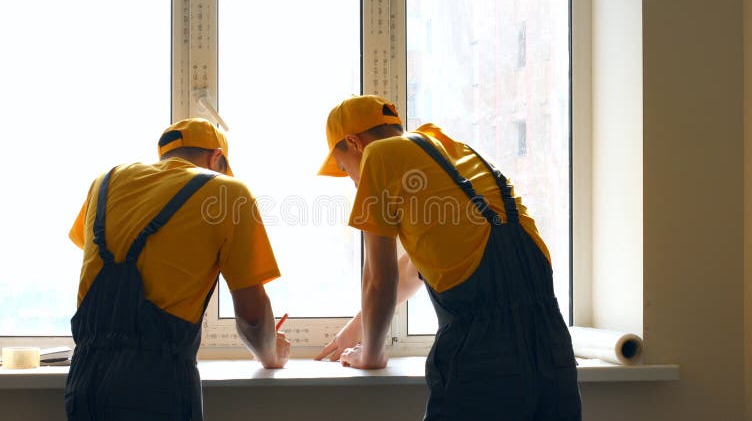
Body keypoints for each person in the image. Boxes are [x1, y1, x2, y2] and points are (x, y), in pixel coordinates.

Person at [314, 95, 581, 420]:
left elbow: (379, 279)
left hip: (482, 357)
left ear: (355, 143)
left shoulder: (377, 155)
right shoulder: (452, 151)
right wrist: (356, 329)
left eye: (345, 169)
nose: (354, 183)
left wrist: (370, 354)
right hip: (552, 348)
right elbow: (416, 269)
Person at [65, 118, 289, 421]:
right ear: (216, 159)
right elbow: (251, 316)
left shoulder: (105, 182)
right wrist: (270, 354)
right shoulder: (228, 192)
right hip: (158, 387)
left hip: (84, 382)